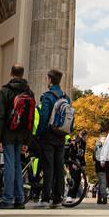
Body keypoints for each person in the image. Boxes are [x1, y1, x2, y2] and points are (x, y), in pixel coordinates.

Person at [0, 63, 35, 210]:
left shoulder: (5, 91)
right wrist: (27, 141)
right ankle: (19, 199)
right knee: (17, 165)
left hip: (8, 134)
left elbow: (0, 116)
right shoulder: (29, 92)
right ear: (22, 74)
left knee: (10, 165)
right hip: (22, 134)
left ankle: (8, 199)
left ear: (11, 73)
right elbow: (31, 118)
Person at [32, 69, 67, 208]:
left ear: (50, 79)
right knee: (59, 167)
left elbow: (44, 117)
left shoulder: (47, 96)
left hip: (49, 135)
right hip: (61, 135)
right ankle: (58, 197)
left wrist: (39, 133)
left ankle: (45, 198)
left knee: (48, 167)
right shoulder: (65, 96)